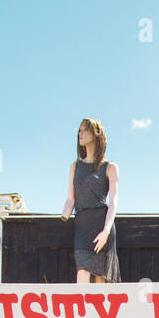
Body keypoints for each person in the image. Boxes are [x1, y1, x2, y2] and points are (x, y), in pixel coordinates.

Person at [61, 117, 120, 284]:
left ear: (96, 134)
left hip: (101, 225)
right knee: (82, 275)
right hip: (82, 226)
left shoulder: (110, 167)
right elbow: (70, 198)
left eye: (84, 130)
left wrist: (106, 231)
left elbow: (113, 202)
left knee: (101, 282)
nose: (80, 133)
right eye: (79, 130)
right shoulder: (75, 166)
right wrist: (64, 214)